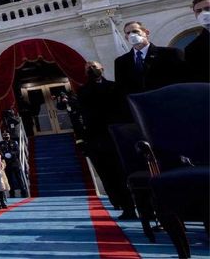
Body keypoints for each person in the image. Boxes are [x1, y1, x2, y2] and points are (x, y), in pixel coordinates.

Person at [76, 61, 136, 219]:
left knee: (123, 173)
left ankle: (136, 206)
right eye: (88, 68)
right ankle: (122, 204)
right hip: (96, 139)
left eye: (94, 67)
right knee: (108, 176)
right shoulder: (82, 91)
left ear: (102, 69)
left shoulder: (114, 87)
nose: (91, 69)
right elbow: (81, 116)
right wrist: (82, 140)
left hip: (116, 135)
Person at [114, 21, 185, 96]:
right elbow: (121, 90)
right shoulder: (121, 62)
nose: (132, 35)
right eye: (128, 33)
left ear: (146, 33)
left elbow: (183, 80)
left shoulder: (170, 53)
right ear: (126, 38)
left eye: (135, 31)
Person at [185, 0, 210, 83]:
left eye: (208, 8)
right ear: (195, 15)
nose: (203, 13)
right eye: (199, 11)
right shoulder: (192, 49)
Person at [0, 132, 26, 198]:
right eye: (4, 135)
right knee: (9, 179)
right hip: (7, 163)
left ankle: (23, 192)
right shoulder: (0, 144)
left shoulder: (14, 142)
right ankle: (12, 193)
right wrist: (4, 155)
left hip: (14, 162)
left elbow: (17, 151)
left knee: (19, 178)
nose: (6, 136)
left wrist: (11, 153)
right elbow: (0, 151)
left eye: (7, 135)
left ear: (9, 135)